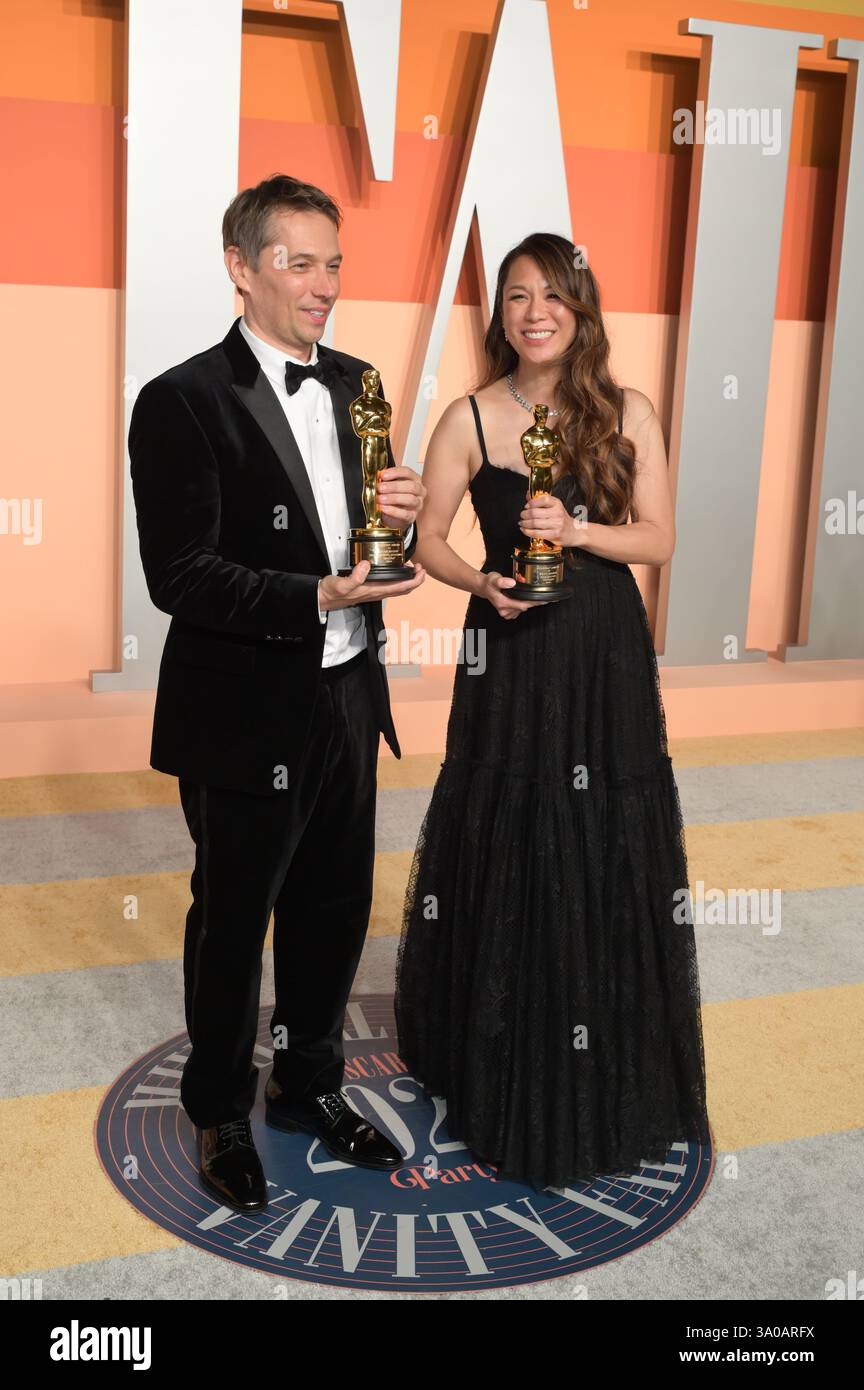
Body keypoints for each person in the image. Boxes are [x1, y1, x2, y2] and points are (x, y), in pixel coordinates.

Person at [129, 174, 426, 1211]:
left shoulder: (358, 383)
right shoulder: (180, 399)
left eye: (333, 261)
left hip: (349, 696)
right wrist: (319, 591)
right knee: (233, 917)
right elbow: (182, 575)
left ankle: (308, 1085)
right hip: (244, 705)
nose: (323, 283)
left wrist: (401, 517)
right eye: (298, 261)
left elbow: (370, 531)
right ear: (241, 267)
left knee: (333, 911)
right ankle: (218, 1105)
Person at [394, 232, 710, 1189]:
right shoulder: (470, 416)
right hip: (510, 649)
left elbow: (656, 540)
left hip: (602, 651)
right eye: (517, 295)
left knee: (600, 830)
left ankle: (601, 1045)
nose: (535, 312)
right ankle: (497, 1050)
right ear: (501, 313)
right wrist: (481, 584)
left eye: (553, 295)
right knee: (510, 829)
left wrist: (576, 530)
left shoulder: (626, 411)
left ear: (582, 308)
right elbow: (428, 541)